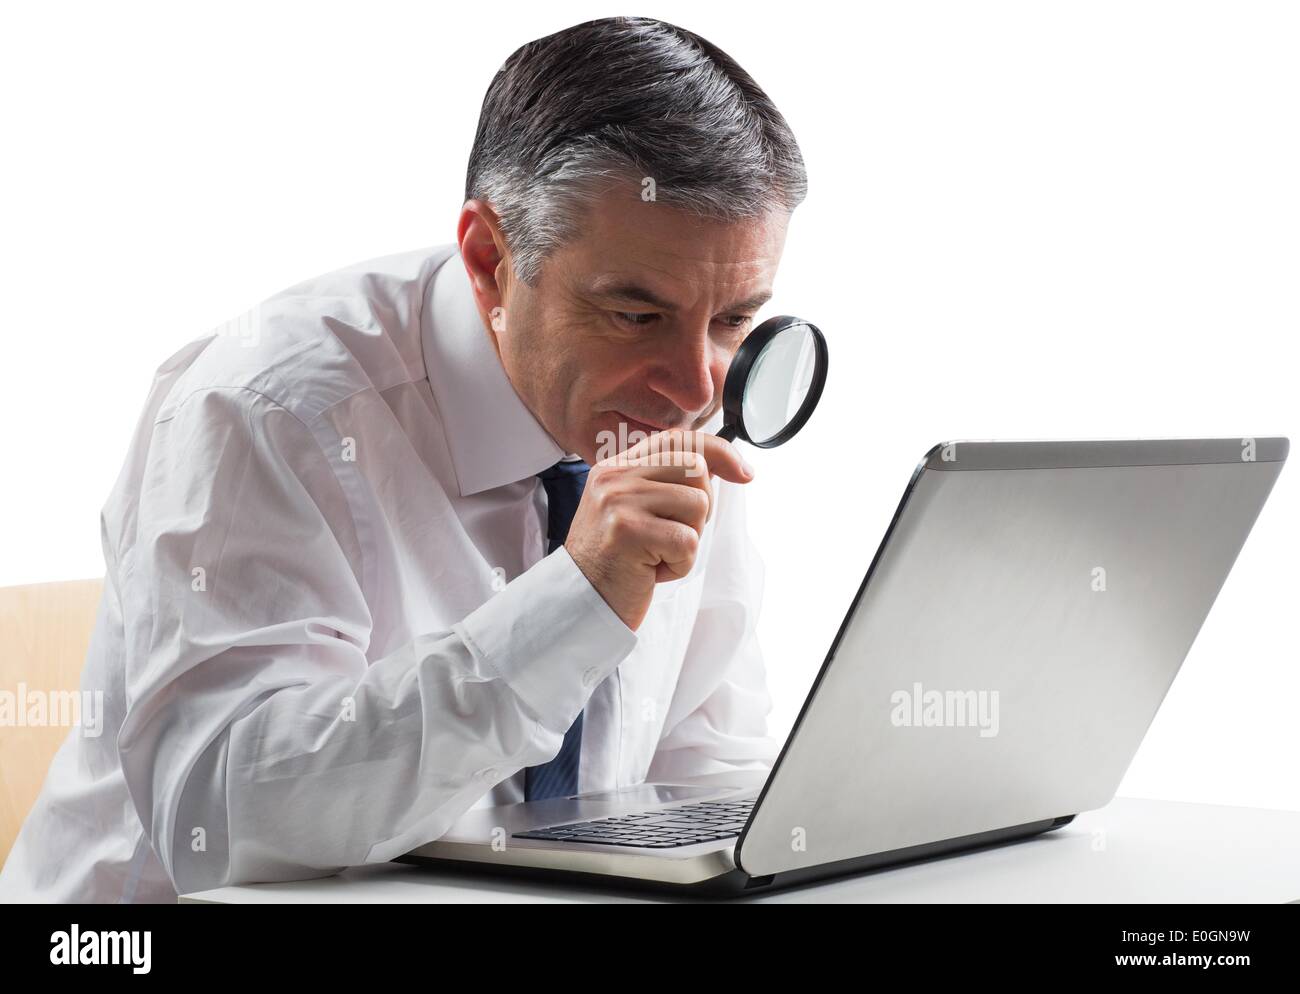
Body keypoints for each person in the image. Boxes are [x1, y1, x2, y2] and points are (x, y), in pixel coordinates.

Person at [0, 15, 808, 902]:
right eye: (635, 314)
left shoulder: (671, 401)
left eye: (734, 320)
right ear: (489, 258)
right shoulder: (262, 409)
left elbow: (703, 757)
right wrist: (572, 600)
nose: (695, 386)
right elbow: (222, 826)